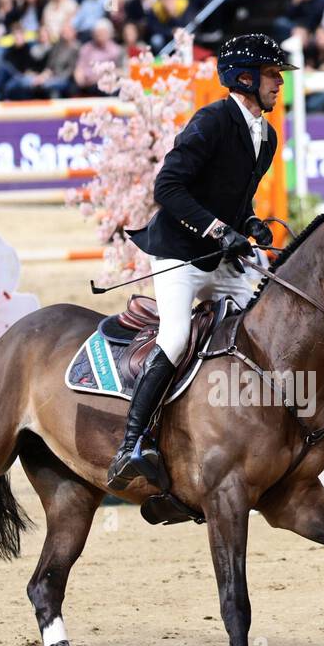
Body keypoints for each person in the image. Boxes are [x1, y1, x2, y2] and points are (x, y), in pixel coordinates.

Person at [112, 34, 294, 490]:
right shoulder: (210, 121)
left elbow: (235, 197)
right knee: (175, 338)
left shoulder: (265, 136)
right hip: (181, 254)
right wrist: (218, 230)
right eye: (273, 75)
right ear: (245, 78)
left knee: (258, 331)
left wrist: (249, 223)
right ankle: (132, 443)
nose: (279, 84)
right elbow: (168, 188)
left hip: (223, 260)